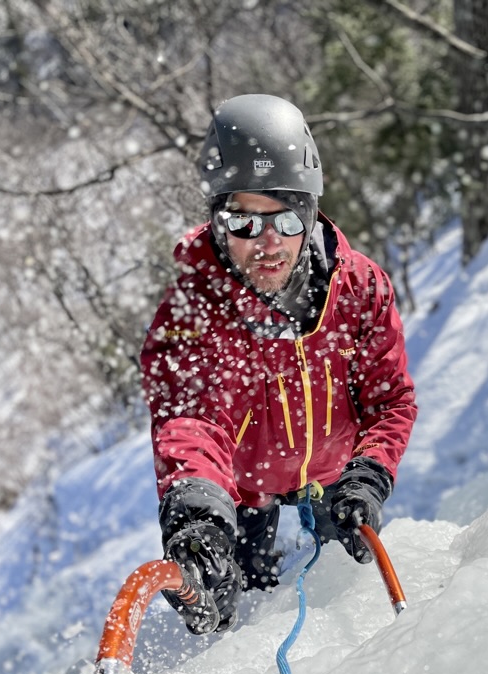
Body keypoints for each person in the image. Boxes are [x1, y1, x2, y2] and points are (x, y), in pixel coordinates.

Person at [140, 94, 417, 634]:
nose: (267, 244)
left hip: (339, 474)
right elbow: (191, 420)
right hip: (244, 486)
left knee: (351, 608)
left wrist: (371, 473)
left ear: (310, 214)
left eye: (286, 220)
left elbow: (390, 400)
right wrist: (198, 515)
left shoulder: (358, 288)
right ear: (218, 224)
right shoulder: (194, 308)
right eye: (243, 223)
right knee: (228, 618)